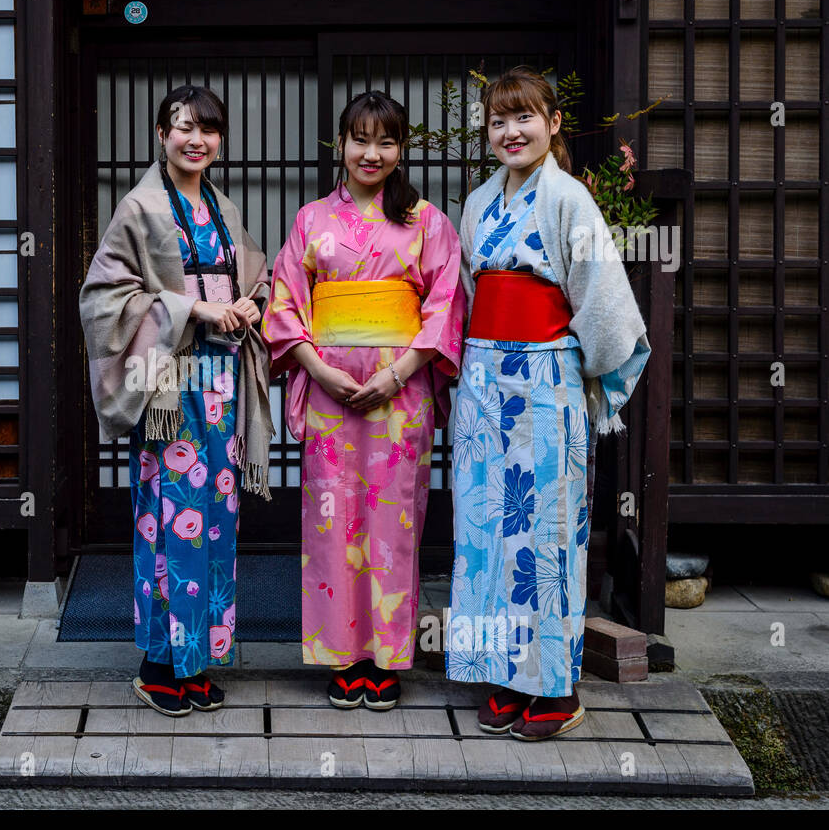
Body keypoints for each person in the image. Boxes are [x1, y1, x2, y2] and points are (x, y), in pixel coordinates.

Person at [447, 65, 651, 740]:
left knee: (545, 536)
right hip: (484, 385)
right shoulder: (478, 204)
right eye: (498, 120)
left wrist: (586, 379)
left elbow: (603, 302)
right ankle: (507, 673)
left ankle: (556, 689)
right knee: (487, 534)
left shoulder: (569, 200)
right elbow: (472, 299)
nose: (511, 131)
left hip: (544, 383)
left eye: (524, 117)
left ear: (553, 123)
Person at [263, 90, 465, 709]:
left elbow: (444, 306)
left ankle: (386, 658)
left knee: (393, 525)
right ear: (341, 145)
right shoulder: (310, 220)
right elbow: (285, 303)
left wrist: (400, 372)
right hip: (330, 393)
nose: (371, 153)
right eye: (360, 139)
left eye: (386, 141)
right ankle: (341, 655)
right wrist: (317, 370)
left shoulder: (427, 221)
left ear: (401, 149)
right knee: (331, 523)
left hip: (398, 400)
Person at [79, 85, 274, 717]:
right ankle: (159, 663)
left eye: (208, 130)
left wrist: (250, 301)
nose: (197, 140)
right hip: (170, 383)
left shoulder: (221, 205)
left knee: (213, 520)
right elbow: (103, 297)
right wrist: (192, 307)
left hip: (220, 385)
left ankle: (196, 661)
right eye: (183, 127)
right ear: (160, 134)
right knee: (168, 521)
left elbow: (257, 270)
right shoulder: (139, 207)